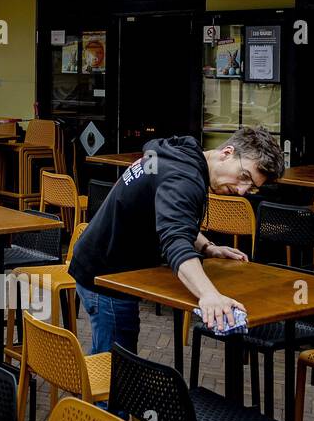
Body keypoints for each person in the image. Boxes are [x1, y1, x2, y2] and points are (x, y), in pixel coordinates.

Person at [68, 125, 285, 354]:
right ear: (227, 153)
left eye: (251, 188)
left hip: (100, 263)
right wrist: (209, 295)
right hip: (105, 273)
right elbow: (175, 240)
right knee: (113, 367)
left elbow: (171, 217)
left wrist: (207, 247)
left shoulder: (180, 156)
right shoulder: (184, 178)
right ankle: (95, 389)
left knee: (118, 359)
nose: (242, 190)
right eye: (244, 177)